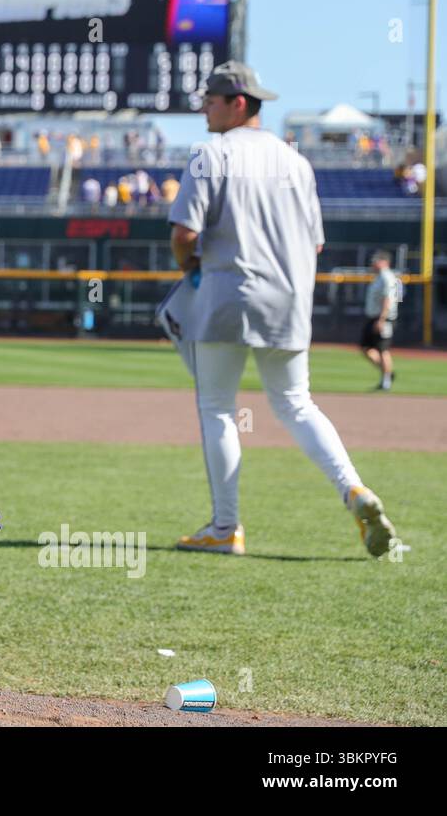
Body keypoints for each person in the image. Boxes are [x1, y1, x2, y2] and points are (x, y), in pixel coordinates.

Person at [168, 61, 397, 558]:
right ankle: (353, 489)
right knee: (296, 404)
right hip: (290, 301)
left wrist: (191, 266)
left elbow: (183, 236)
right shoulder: (296, 162)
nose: (205, 106)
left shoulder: (211, 154)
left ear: (239, 103)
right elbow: (314, 246)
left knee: (217, 410)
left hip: (228, 293)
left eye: (211, 98)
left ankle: (226, 527)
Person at [360, 250, 401, 391]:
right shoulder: (379, 277)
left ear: (385, 262)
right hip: (374, 317)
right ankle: (388, 372)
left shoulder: (387, 277)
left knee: (383, 349)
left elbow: (388, 299)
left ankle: (386, 381)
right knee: (366, 348)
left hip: (383, 318)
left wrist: (382, 319)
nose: (373, 263)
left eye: (376, 260)